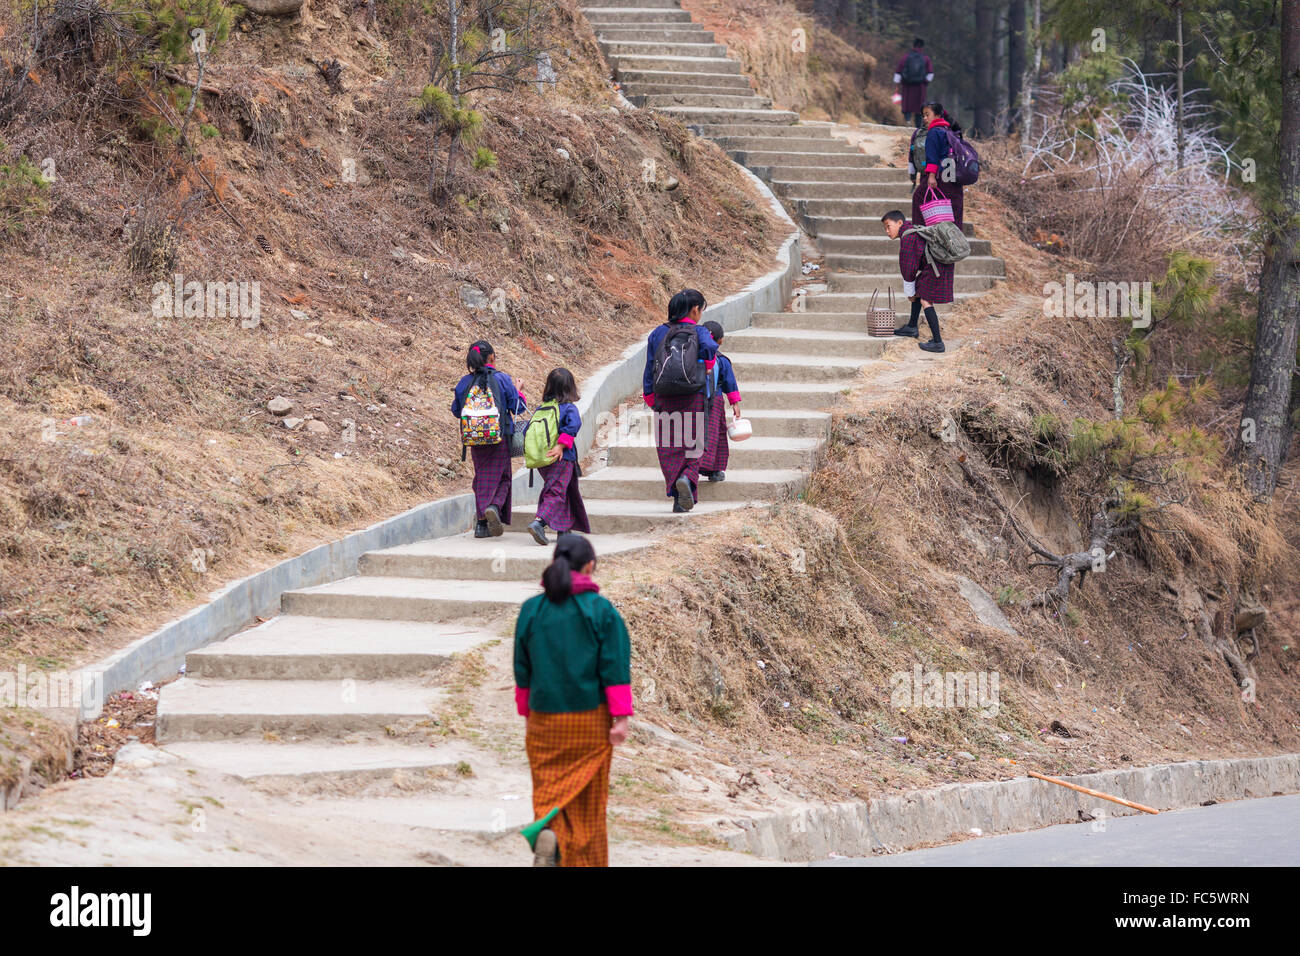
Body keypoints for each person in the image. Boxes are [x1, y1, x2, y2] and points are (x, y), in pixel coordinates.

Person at [514, 534, 632, 867]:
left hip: (544, 717)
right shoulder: (602, 612)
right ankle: (576, 854)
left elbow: (522, 668)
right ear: (590, 567)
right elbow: (615, 666)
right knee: (588, 798)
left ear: (554, 563)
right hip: (589, 720)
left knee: (549, 788)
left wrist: (527, 711)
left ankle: (549, 831)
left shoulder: (532, 610)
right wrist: (621, 718)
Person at [643, 289, 718, 512]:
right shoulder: (701, 331)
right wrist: (708, 366)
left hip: (663, 395)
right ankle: (687, 478)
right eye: (701, 310)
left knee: (668, 445)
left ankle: (678, 496)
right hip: (693, 394)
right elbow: (711, 351)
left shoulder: (658, 333)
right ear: (695, 309)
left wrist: (649, 395)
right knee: (693, 443)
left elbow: (649, 366)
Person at [450, 340, 526, 537]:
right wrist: (518, 390)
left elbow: (457, 411)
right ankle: (493, 506)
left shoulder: (464, 383)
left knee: (482, 477)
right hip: (500, 437)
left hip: (474, 439)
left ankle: (481, 526)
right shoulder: (502, 379)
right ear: (491, 357)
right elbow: (517, 406)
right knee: (504, 477)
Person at [526, 367, 590, 545]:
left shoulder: (542, 409)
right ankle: (539, 522)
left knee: (565, 491)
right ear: (570, 387)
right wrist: (561, 446)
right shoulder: (568, 409)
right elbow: (574, 425)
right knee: (555, 493)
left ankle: (564, 531)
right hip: (562, 458)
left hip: (543, 460)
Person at [881, 209, 950, 353]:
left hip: (937, 267)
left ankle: (938, 342)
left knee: (925, 300)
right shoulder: (911, 230)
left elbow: (908, 267)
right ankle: (912, 327)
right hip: (938, 265)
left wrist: (909, 291)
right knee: (919, 292)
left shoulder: (908, 237)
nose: (887, 231)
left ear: (900, 223)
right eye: (885, 228)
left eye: (888, 226)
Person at [698, 320, 742, 483]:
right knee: (716, 434)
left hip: (693, 402)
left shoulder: (691, 358)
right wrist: (735, 403)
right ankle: (715, 470)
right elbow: (730, 383)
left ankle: (690, 469)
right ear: (718, 341)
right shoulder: (722, 360)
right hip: (715, 403)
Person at [910, 102, 965, 231]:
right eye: (923, 115)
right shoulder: (949, 130)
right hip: (953, 177)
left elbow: (932, 156)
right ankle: (956, 240)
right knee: (954, 208)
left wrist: (931, 176)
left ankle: (920, 234)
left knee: (919, 197)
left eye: (927, 115)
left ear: (938, 115)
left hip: (940, 175)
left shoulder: (934, 132)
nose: (924, 118)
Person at [894, 39, 934, 129]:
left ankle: (907, 121)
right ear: (922, 47)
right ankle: (918, 126)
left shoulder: (906, 57)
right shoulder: (925, 58)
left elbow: (898, 71)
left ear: (913, 46)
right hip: (920, 87)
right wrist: (925, 82)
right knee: (919, 106)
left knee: (907, 104)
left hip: (907, 86)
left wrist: (897, 84)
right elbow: (930, 74)